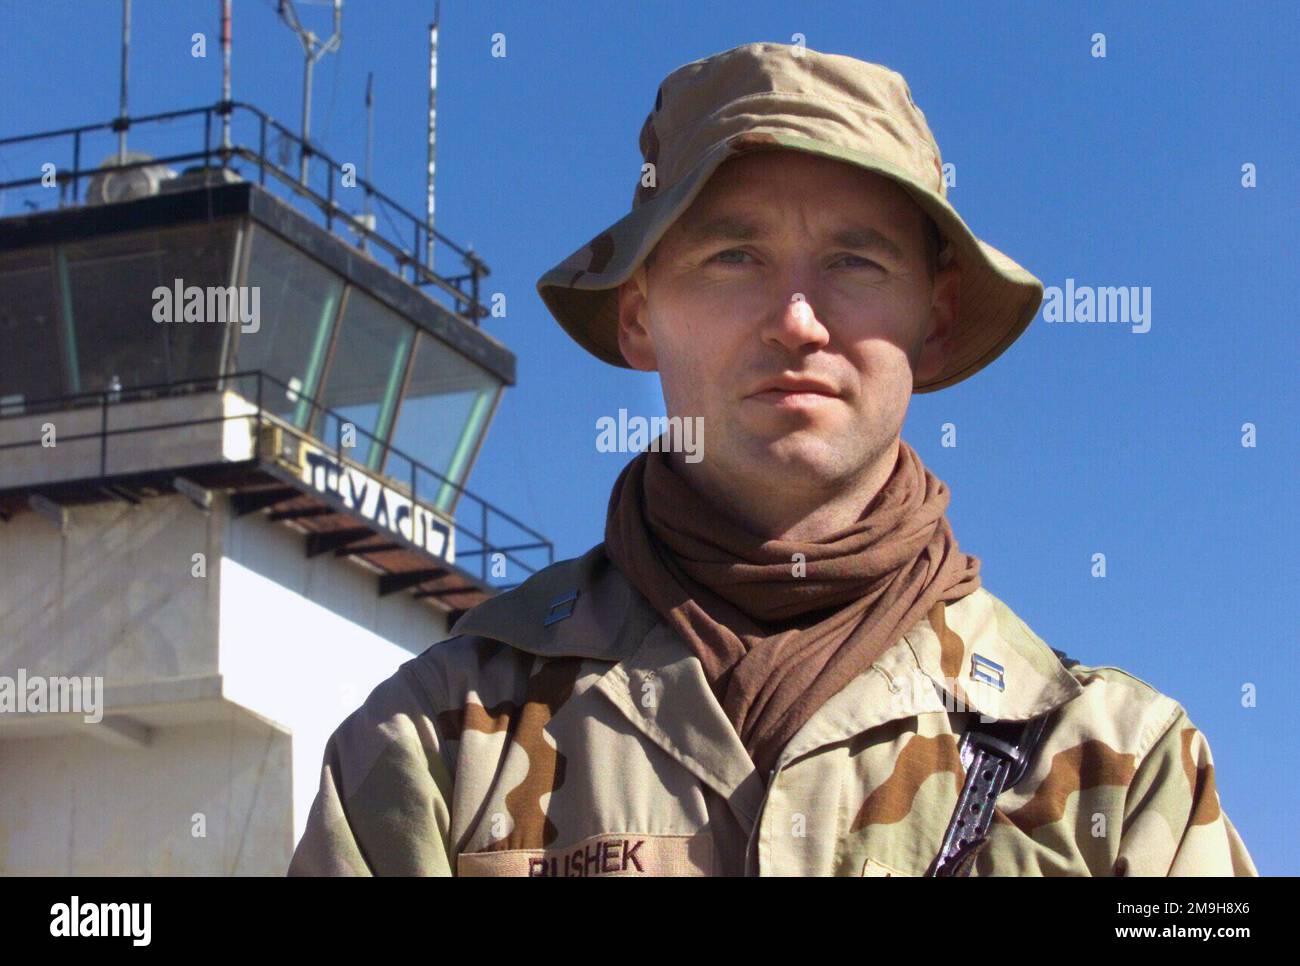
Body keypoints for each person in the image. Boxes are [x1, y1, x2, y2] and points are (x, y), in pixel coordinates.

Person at [288, 41, 1256, 876]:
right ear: (637, 315)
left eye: (854, 262)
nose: (797, 323)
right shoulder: (440, 737)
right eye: (732, 258)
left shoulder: (1115, 766)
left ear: (935, 318)